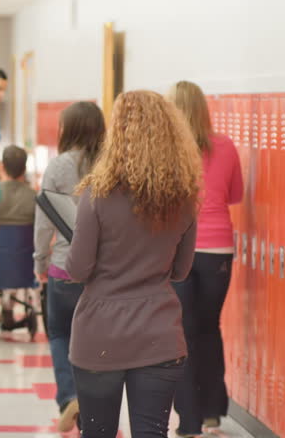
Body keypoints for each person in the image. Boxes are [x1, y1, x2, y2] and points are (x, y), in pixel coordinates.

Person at [66, 90, 201, 438]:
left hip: (100, 334)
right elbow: (181, 271)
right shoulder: (184, 198)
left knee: (97, 432)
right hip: (159, 333)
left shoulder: (97, 194)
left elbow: (78, 269)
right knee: (152, 432)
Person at [168, 81, 243, 436]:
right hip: (218, 250)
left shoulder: (166, 148)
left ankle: (189, 419)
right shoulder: (226, 146)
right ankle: (213, 412)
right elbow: (235, 195)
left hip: (178, 248)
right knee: (209, 327)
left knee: (183, 333)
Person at [33, 102, 105, 432]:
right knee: (96, 341)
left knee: (60, 334)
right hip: (101, 273)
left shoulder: (59, 166)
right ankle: (95, 403)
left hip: (63, 269)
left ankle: (68, 398)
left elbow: (44, 221)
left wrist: (40, 263)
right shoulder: (110, 164)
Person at [0, 145, 35, 332]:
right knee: (16, 254)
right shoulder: (34, 197)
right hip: (22, 267)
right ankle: (8, 309)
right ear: (24, 168)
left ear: (2, 166)